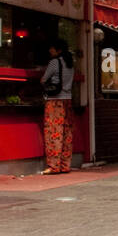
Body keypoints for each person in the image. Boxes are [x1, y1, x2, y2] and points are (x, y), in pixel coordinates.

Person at [40, 39, 75, 174]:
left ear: (58, 50)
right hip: (68, 100)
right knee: (66, 133)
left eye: (52, 48)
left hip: (55, 101)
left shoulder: (55, 62)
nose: (50, 51)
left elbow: (43, 79)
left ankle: (53, 166)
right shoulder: (70, 63)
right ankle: (65, 165)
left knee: (53, 133)